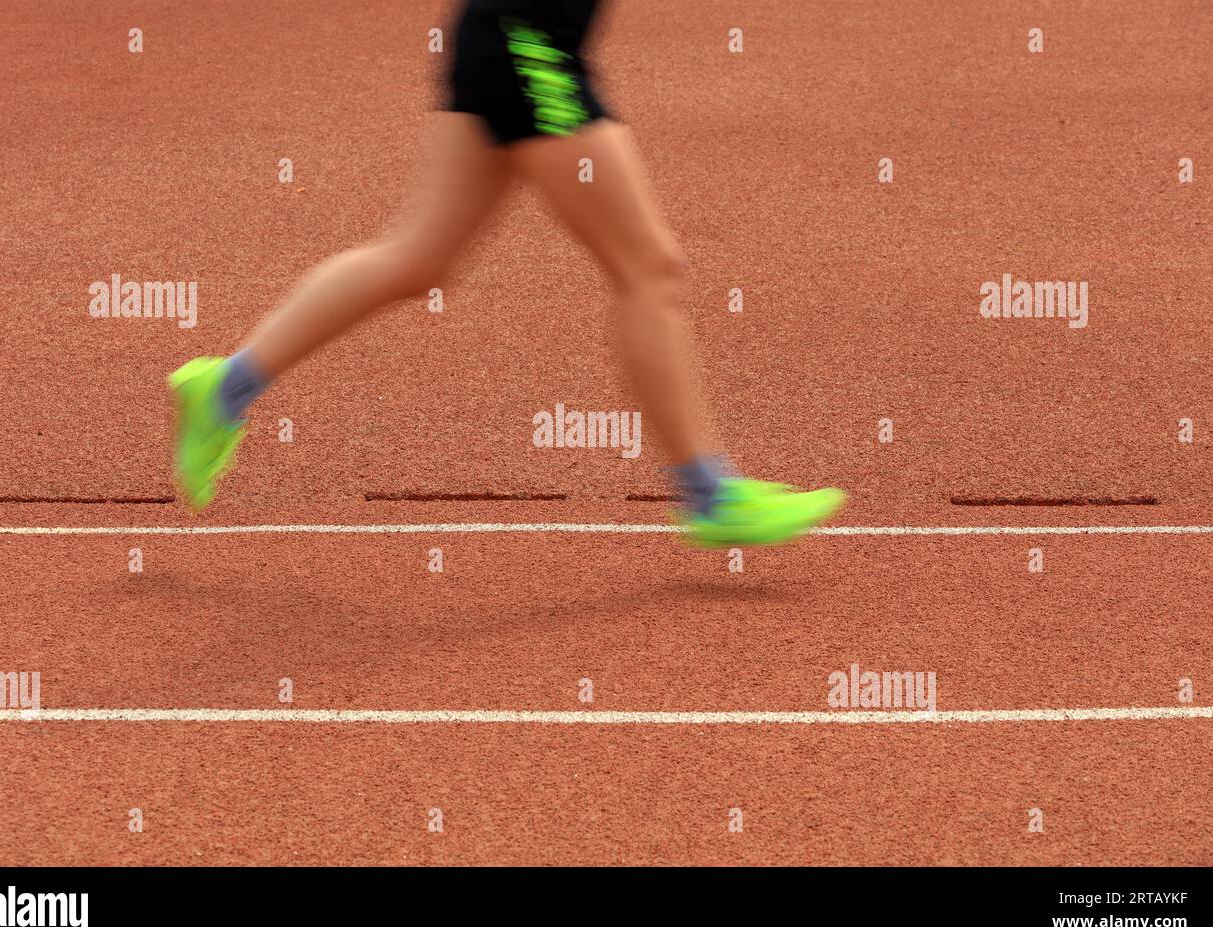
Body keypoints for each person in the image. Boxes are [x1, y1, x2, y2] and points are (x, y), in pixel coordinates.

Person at [169, 0, 845, 546]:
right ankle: (710, 495)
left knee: (419, 258)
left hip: (507, 38)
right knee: (649, 268)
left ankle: (225, 387)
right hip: (528, 46)